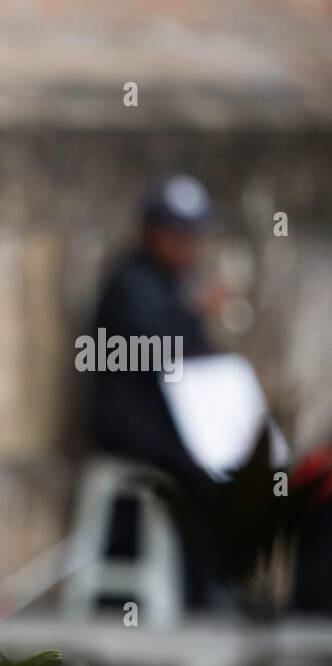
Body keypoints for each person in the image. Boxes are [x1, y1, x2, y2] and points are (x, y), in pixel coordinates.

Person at [88, 174, 230, 607]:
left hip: (169, 423)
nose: (189, 245)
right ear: (154, 233)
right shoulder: (130, 282)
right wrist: (190, 309)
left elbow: (197, 361)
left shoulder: (176, 284)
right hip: (130, 425)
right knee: (200, 468)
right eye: (179, 234)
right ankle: (198, 592)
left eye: (194, 235)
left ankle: (217, 583)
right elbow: (155, 355)